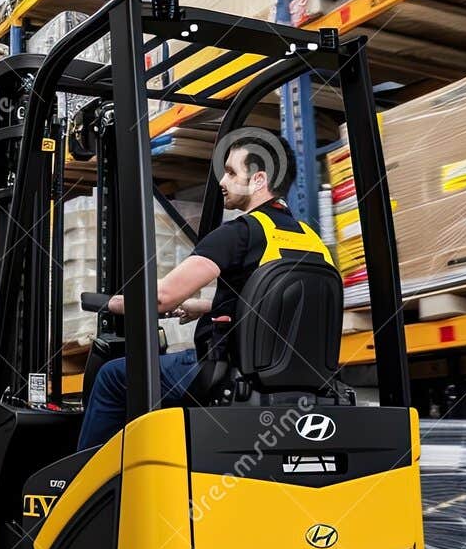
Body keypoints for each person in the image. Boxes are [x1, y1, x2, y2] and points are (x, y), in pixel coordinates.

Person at [75, 129, 335, 449]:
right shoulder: (311, 239)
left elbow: (160, 298)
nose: (221, 182)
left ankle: (85, 481)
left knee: (113, 377)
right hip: (292, 378)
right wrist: (207, 306)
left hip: (228, 371)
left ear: (258, 179)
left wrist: (113, 303)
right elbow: (279, 306)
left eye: (230, 172)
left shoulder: (238, 234)